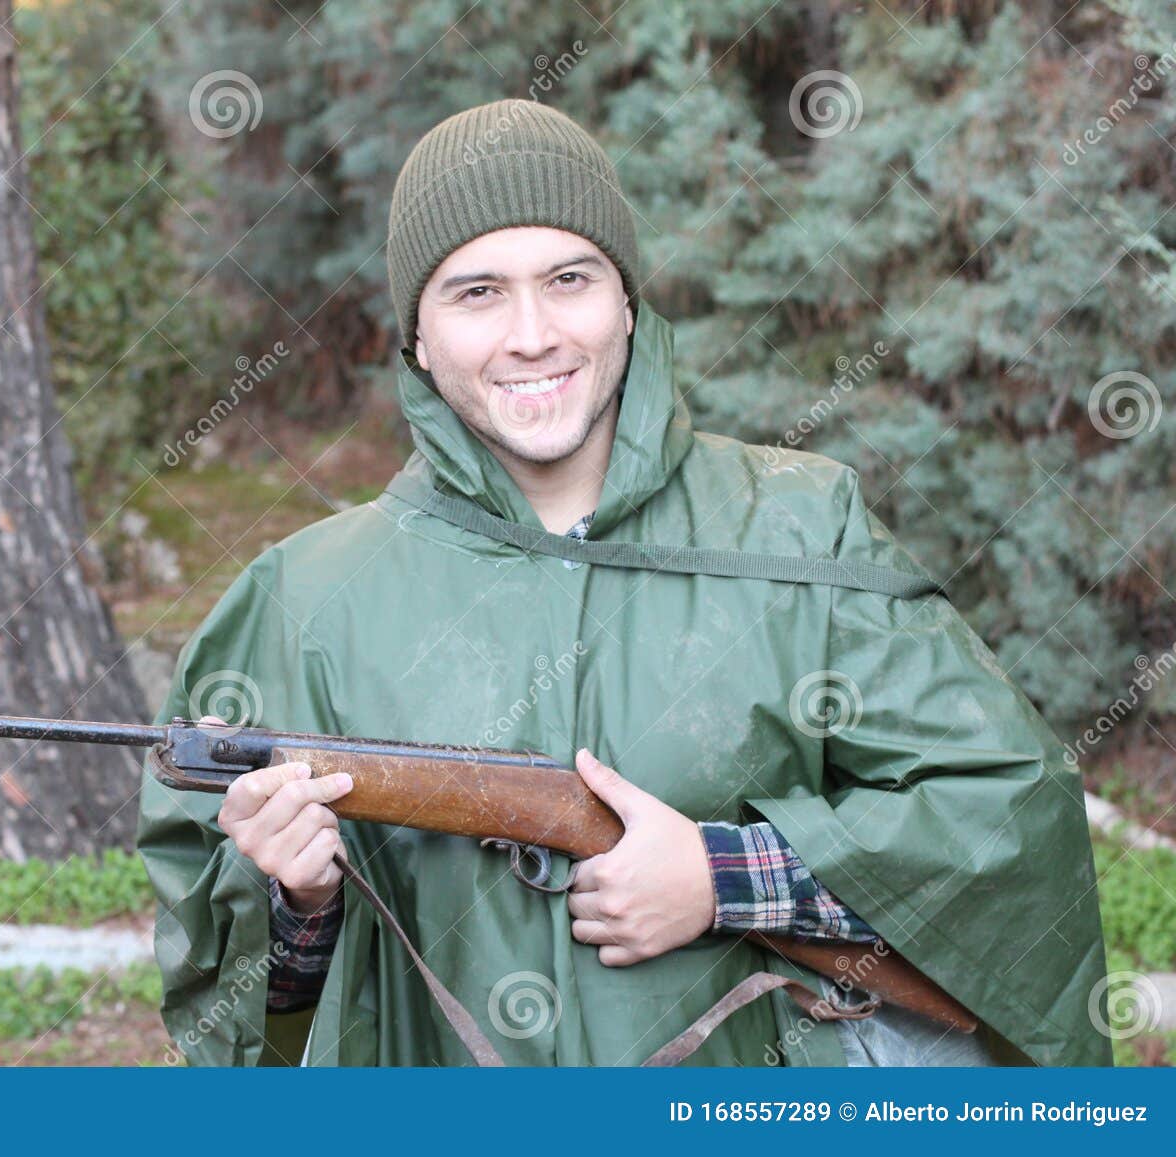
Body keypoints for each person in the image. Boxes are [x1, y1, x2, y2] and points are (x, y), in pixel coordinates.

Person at [136, 98, 1111, 1067]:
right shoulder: (301, 599)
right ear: (416, 339)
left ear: (628, 302)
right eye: (476, 292)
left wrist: (720, 875)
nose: (532, 334)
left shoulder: (798, 521)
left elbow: (1007, 814)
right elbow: (235, 1024)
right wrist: (297, 903)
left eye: (569, 278)